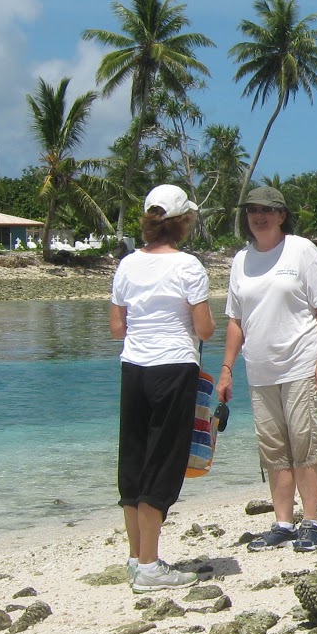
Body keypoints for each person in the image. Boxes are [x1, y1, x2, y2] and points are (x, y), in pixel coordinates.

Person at [218, 185, 317, 553]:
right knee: (273, 450)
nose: (259, 216)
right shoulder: (240, 260)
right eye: (253, 210)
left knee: (306, 445)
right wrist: (226, 369)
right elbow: (236, 320)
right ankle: (283, 523)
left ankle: (312, 522)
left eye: (267, 210)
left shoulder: (301, 249)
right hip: (259, 370)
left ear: (282, 215)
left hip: (302, 364)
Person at [110, 184, 214, 593]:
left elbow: (117, 327)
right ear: (182, 222)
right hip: (173, 367)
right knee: (164, 460)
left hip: (133, 367)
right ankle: (151, 566)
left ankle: (137, 558)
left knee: (133, 459)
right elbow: (204, 327)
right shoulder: (189, 267)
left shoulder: (127, 265)